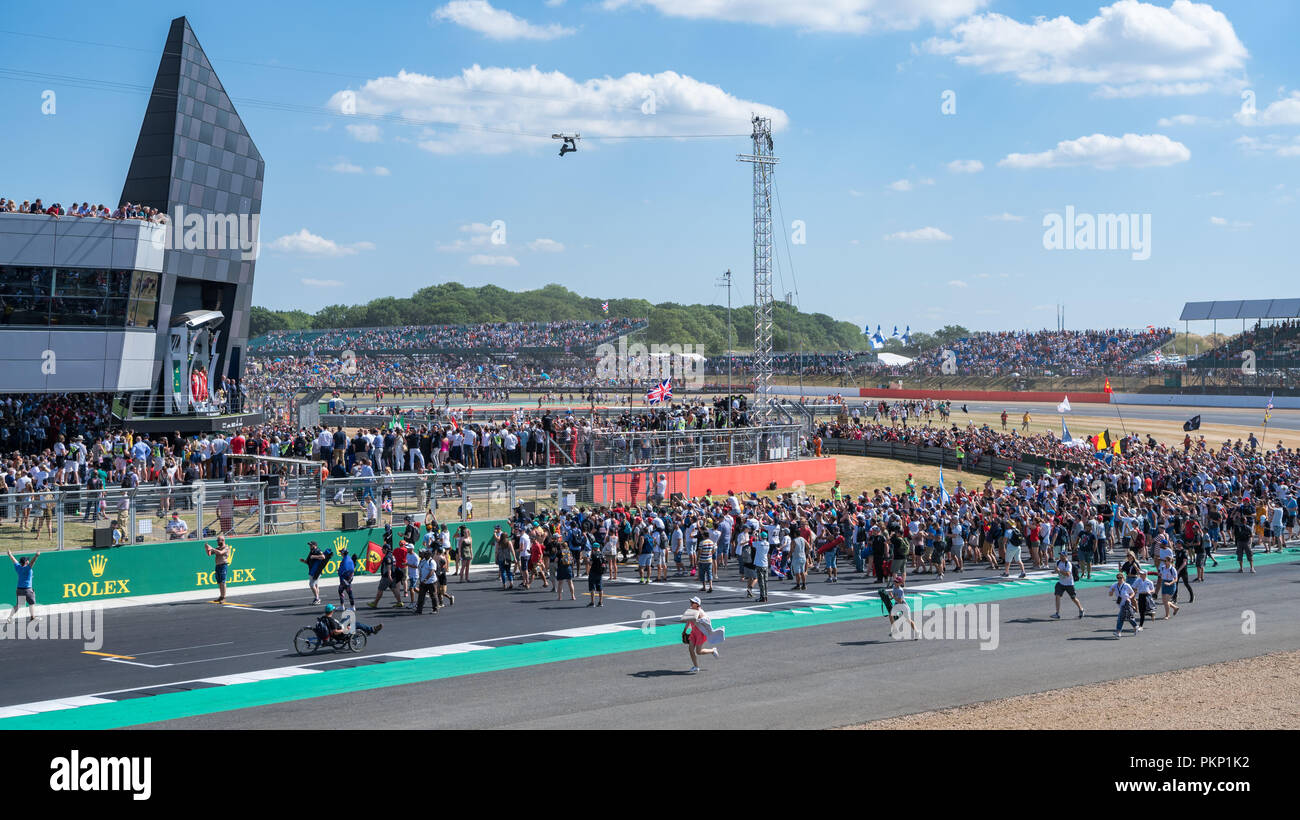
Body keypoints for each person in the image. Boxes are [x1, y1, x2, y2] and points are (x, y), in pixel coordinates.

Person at [681, 596, 722, 673]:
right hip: (693, 633)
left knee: (698, 652)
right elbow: (688, 621)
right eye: (691, 602)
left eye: (692, 602)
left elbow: (707, 622)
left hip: (700, 634)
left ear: (697, 604)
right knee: (690, 649)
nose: (691, 603)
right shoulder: (691, 611)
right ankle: (696, 666)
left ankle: (712, 651)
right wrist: (684, 630)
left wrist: (700, 619)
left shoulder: (701, 612)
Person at [1050, 549, 1085, 619]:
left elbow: (1068, 574)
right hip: (1061, 583)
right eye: (1060, 555)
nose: (1061, 557)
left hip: (1069, 584)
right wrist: (1055, 571)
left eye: (1062, 555)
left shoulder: (1068, 564)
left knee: (1073, 598)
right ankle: (1057, 613)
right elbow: (1057, 571)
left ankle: (1081, 609)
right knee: (1057, 596)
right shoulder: (1058, 562)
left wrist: (1059, 571)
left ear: (1066, 556)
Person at [7, 550, 39, 621]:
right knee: (32, 603)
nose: (28, 561)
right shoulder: (27, 568)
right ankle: (32, 617)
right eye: (27, 560)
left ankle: (10, 617)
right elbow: (32, 562)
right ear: (26, 562)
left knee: (18, 605)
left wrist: (10, 554)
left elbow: (14, 560)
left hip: (19, 590)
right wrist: (36, 556)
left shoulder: (18, 567)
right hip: (27, 590)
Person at [1108, 571, 1140, 638]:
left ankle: (1118, 632)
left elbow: (1132, 593)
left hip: (1126, 603)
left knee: (1120, 618)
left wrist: (1130, 598)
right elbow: (1110, 595)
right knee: (1129, 617)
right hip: (1120, 603)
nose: (1119, 579)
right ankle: (1135, 627)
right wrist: (1112, 591)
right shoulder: (1114, 585)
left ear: (1123, 578)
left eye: (1120, 578)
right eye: (1118, 578)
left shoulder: (1126, 585)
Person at [885, 574, 918, 639]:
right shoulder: (894, 587)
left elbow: (899, 601)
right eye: (894, 581)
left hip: (903, 605)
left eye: (896, 582)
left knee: (908, 620)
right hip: (897, 605)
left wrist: (892, 596)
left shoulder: (900, 590)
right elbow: (895, 596)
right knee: (890, 615)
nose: (895, 583)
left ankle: (917, 632)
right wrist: (890, 598)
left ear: (900, 583)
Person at [300, 540, 331, 605]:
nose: (310, 546)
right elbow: (307, 561)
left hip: (316, 571)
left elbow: (323, 557)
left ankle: (317, 599)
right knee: (316, 585)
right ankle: (316, 598)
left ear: (315, 545)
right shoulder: (311, 551)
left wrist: (314, 556)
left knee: (311, 584)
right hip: (312, 571)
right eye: (309, 545)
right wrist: (303, 561)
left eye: (311, 545)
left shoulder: (317, 550)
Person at [205, 536, 230, 604]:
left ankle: (223, 597)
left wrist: (212, 548)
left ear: (223, 540)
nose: (218, 542)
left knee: (222, 581)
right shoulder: (217, 548)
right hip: (218, 565)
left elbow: (221, 553)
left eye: (219, 540)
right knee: (219, 582)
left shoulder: (226, 547)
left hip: (223, 565)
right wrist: (207, 548)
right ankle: (221, 596)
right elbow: (209, 554)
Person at [414, 549, 439, 614]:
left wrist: (426, 579)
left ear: (429, 555)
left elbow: (432, 571)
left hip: (431, 582)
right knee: (421, 596)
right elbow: (420, 569)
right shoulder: (422, 561)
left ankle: (435, 609)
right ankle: (419, 610)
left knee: (433, 595)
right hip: (423, 582)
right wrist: (421, 579)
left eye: (426, 554)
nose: (424, 555)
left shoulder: (432, 562)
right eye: (424, 554)